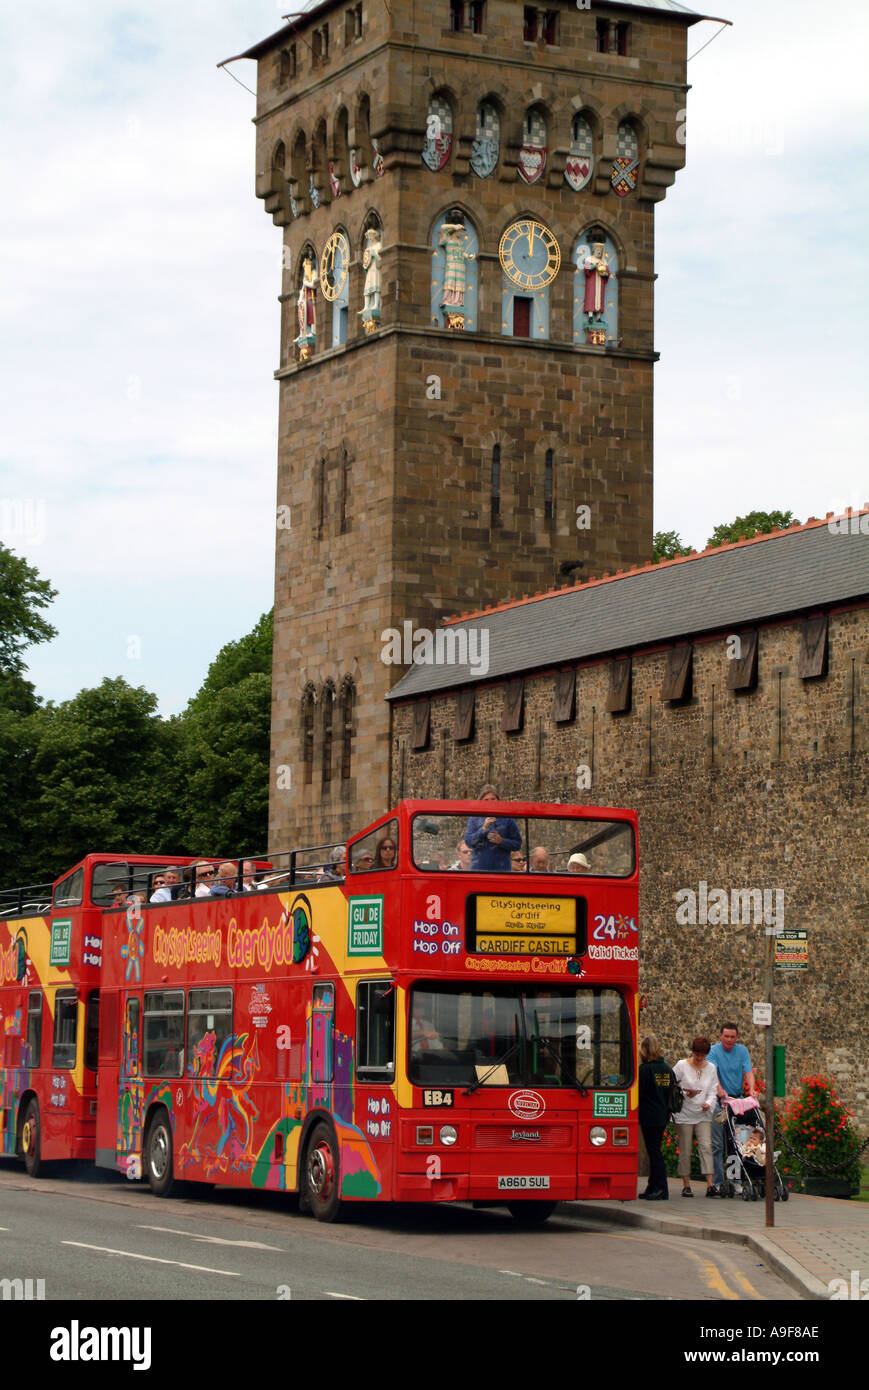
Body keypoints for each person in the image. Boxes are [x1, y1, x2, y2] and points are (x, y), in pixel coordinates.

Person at [708, 1023, 757, 1195]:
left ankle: (735, 1179)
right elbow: (712, 1073)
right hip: (718, 1100)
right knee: (717, 1144)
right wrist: (719, 1089)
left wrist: (751, 1089)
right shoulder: (713, 1051)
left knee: (736, 1142)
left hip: (736, 1099)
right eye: (726, 1036)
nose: (729, 1040)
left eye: (732, 1037)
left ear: (737, 1038)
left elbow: (748, 1072)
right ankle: (718, 1182)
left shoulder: (742, 1051)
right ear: (720, 1036)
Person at [672, 1036, 720, 1196]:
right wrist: (684, 1093)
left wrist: (708, 1103)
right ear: (692, 1052)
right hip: (685, 1113)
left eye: (702, 1055)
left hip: (703, 1113)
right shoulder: (681, 1065)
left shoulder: (711, 1068)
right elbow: (671, 1083)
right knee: (685, 1148)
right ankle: (686, 1184)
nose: (699, 1058)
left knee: (706, 1146)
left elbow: (713, 1090)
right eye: (696, 1054)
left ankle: (710, 1184)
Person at [637, 1033, 676, 1200]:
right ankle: (652, 1186)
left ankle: (661, 1188)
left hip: (648, 1116)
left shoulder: (644, 1070)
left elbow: (639, 1094)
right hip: (663, 1115)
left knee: (654, 1152)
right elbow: (672, 1092)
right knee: (655, 1150)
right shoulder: (667, 1069)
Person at [464, 785, 522, 872]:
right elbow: (469, 842)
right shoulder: (474, 819)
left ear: (498, 800)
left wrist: (502, 841)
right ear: (481, 802)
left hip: (502, 871)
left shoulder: (507, 819)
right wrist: (483, 830)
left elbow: (517, 844)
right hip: (479, 871)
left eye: (493, 799)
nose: (490, 802)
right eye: (486, 800)